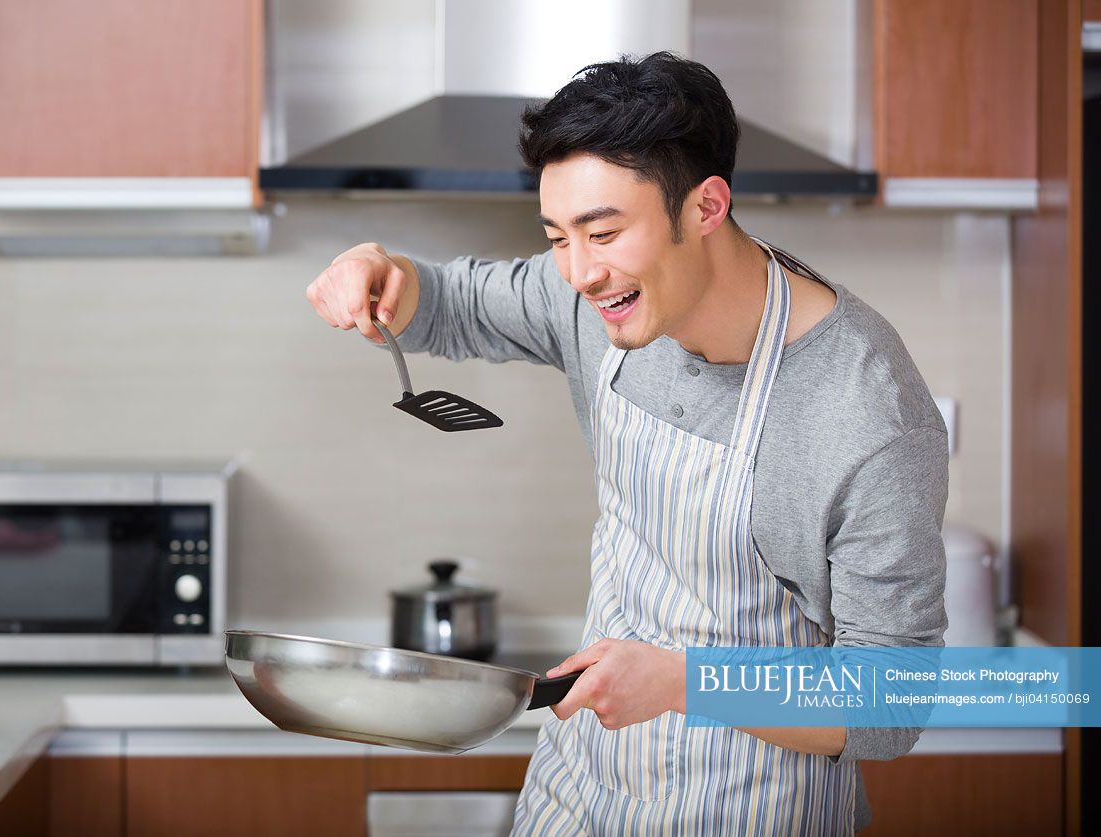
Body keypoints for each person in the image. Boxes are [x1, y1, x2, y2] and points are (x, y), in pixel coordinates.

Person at [305, 52, 948, 836]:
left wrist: (685, 682)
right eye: (556, 237)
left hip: (750, 808)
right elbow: (449, 303)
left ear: (705, 207)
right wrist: (377, 272)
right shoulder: (595, 296)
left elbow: (889, 703)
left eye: (602, 233)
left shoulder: (864, 410)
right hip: (581, 789)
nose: (578, 272)